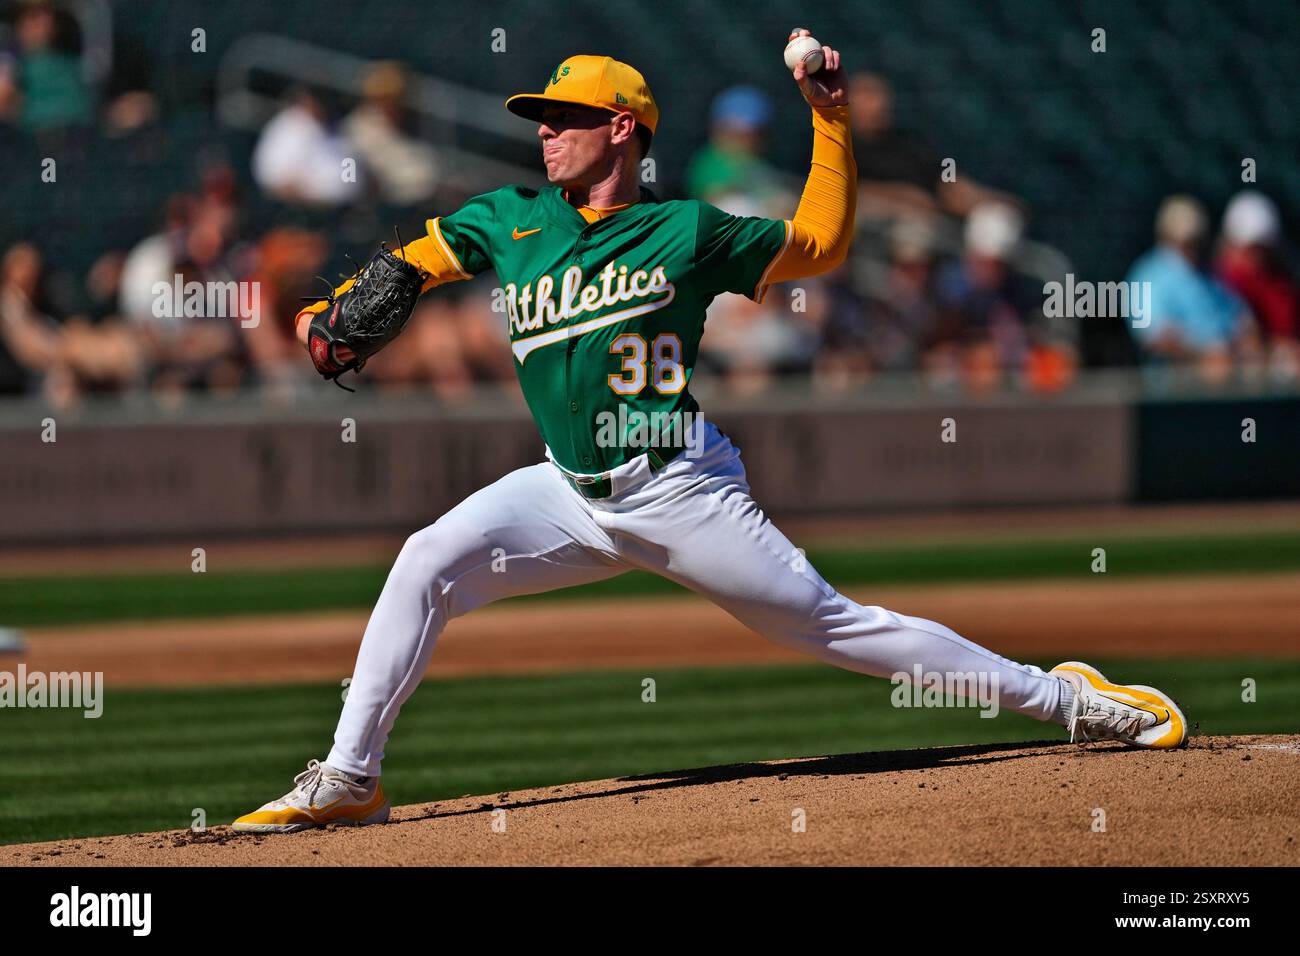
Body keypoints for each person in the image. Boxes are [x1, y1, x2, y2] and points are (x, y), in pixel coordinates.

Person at [232, 34, 1188, 834]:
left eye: (563, 118)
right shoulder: (511, 218)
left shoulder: (686, 232)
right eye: (539, 118)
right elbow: (414, 262)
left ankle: (1068, 701)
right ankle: (352, 780)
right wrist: (333, 310)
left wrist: (827, 116)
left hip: (680, 489)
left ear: (622, 129)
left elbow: (821, 246)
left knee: (831, 626)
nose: (544, 133)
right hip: (569, 488)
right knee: (426, 558)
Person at [1126, 195, 1257, 382]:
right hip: (1175, 394)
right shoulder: (1147, 275)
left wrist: (1245, 348)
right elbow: (1154, 338)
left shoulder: (1212, 274)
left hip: (1227, 385)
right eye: (1183, 240)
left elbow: (1243, 321)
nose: (1190, 247)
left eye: (1195, 239)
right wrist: (1204, 354)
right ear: (1165, 235)